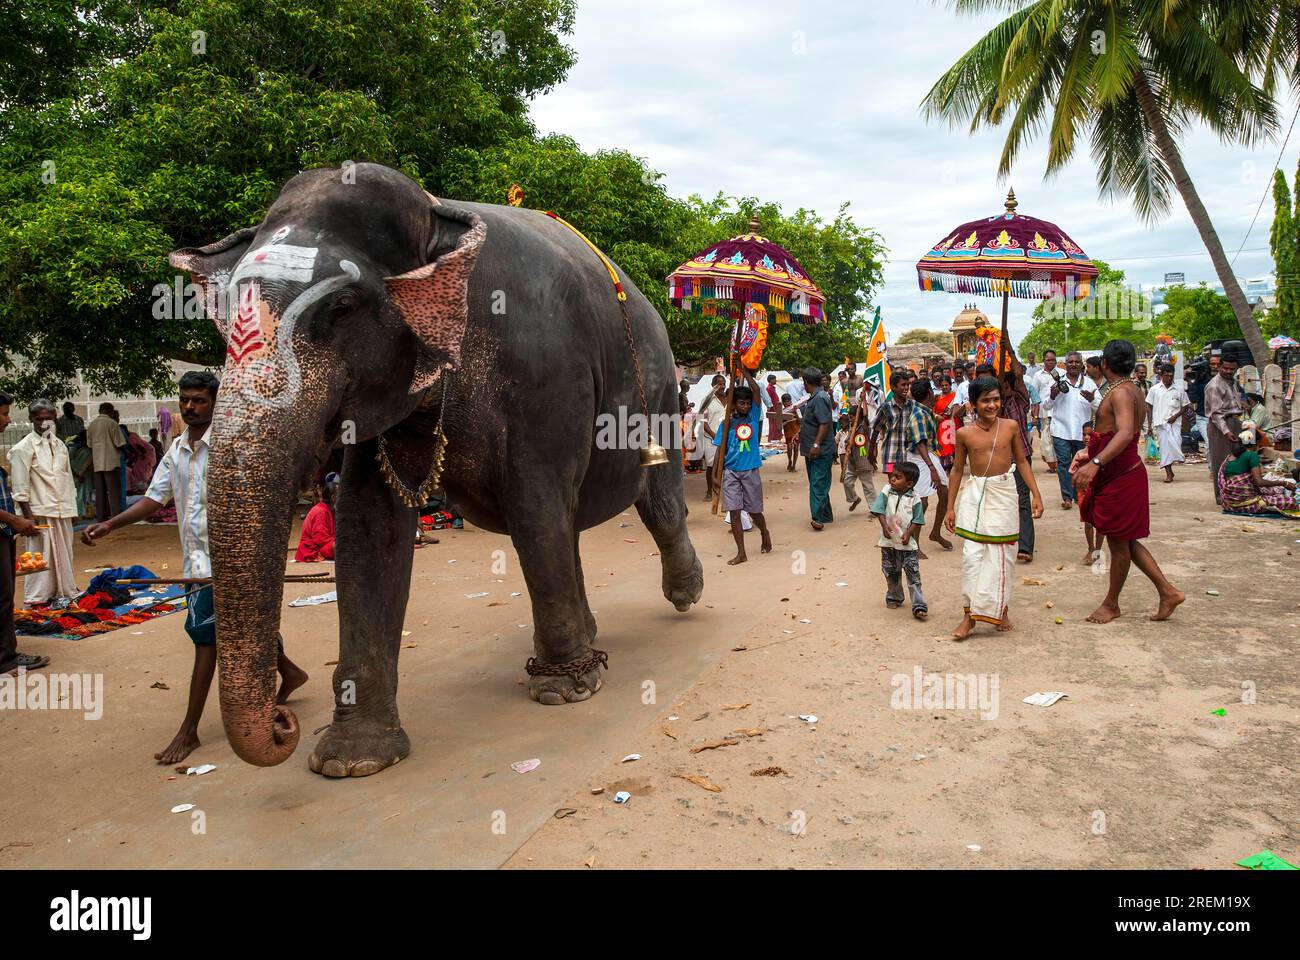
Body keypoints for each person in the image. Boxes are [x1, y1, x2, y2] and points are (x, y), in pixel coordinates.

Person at [81, 371, 308, 763]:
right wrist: (111, 524)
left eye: (199, 400)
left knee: (208, 640)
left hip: (232, 561)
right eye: (185, 399)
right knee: (231, 629)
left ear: (215, 402)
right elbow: (155, 498)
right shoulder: (177, 448)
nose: (190, 407)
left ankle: (189, 731)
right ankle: (288, 671)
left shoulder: (233, 445)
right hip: (196, 562)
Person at [1072, 340, 1184, 623]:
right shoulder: (1133, 390)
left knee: (1119, 542)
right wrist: (1089, 452)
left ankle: (1112, 604)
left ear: (1105, 365)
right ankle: (1167, 591)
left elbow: (1123, 435)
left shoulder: (1121, 392)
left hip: (1121, 476)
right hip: (1121, 472)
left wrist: (1095, 464)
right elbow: (1115, 434)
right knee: (1123, 538)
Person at [945, 377, 1043, 639]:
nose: (992, 405)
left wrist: (1036, 494)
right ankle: (969, 617)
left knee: (1002, 558)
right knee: (972, 558)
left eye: (996, 399)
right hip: (976, 497)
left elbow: (1022, 462)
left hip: (1004, 495)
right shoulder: (964, 434)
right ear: (973, 404)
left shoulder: (1010, 427)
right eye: (986, 400)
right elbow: (956, 470)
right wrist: (950, 508)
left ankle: (1001, 609)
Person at [6, 400, 79, 606]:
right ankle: (37, 597)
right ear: (31, 420)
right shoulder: (23, 448)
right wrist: (28, 517)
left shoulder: (60, 445)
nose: (44, 423)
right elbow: (20, 486)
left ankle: (64, 590)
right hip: (39, 511)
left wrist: (73, 508)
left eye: (49, 418)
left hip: (62, 508)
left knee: (64, 552)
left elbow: (67, 477)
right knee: (39, 555)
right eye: (40, 419)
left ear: (55, 418)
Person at [0, 391, 51, 674]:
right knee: (4, 596)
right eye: (5, 413)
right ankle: (6, 658)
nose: (9, 420)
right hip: (5, 526)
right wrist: (16, 520)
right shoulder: (21, 448)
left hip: (6, 530)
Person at [714, 374, 773, 564]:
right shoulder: (725, 425)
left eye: (748, 403)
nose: (746, 406)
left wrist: (743, 370)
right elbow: (719, 452)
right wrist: (716, 475)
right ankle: (741, 553)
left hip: (750, 470)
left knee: (755, 511)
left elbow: (756, 391)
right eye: (741, 403)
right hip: (730, 472)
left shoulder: (754, 418)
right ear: (733, 405)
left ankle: (764, 532)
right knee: (734, 512)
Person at [870, 461, 928, 620]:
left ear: (909, 483)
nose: (892, 479)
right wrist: (884, 526)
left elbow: (917, 519)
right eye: (892, 475)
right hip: (888, 542)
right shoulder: (887, 491)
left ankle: (919, 604)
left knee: (912, 573)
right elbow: (879, 509)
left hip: (907, 544)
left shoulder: (915, 499)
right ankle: (894, 596)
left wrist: (909, 533)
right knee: (890, 571)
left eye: (898, 477)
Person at [997, 345, 1037, 563]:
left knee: (1023, 500)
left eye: (1003, 386)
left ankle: (1025, 546)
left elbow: (1019, 376)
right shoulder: (994, 407)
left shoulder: (1019, 400)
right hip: (1000, 460)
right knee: (1004, 501)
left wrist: (1009, 348)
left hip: (1021, 456)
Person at [1043, 351, 1098, 509]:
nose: (1073, 364)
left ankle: (1078, 495)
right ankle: (1067, 497)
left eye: (1076, 362)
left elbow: (1099, 405)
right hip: (1060, 431)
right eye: (1070, 362)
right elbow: (1045, 406)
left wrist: (1091, 399)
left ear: (1081, 364)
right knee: (1064, 464)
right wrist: (1053, 395)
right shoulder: (1056, 383)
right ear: (1065, 365)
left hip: (1082, 433)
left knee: (1081, 464)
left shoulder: (1089, 383)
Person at [902, 378, 951, 551]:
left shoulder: (923, 410)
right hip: (919, 457)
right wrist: (931, 469)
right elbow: (920, 443)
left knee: (944, 493)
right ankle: (914, 543)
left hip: (928, 455)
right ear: (929, 393)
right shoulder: (918, 414)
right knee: (922, 502)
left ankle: (935, 532)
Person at [1216, 420, 1299, 516]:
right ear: (1257, 442)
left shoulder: (1230, 457)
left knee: (1273, 493)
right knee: (1291, 502)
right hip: (1244, 503)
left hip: (1228, 503)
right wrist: (1284, 483)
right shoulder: (1251, 455)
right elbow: (1260, 482)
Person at [1203, 353, 1243, 502]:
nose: (1228, 371)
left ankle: (1233, 492)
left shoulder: (1233, 382)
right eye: (1225, 368)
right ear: (1219, 367)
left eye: (1232, 369)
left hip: (1235, 422)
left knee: (1237, 459)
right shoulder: (1214, 385)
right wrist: (1226, 431)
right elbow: (1216, 413)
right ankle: (1221, 496)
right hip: (1220, 427)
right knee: (1221, 461)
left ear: (1236, 369)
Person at [800, 367, 835, 530]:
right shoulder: (814, 397)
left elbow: (824, 423)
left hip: (820, 450)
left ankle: (818, 518)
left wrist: (816, 444)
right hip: (812, 449)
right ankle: (826, 514)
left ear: (806, 382)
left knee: (818, 483)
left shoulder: (820, 398)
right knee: (818, 481)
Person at [1146, 363, 1192, 483]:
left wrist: (1175, 416)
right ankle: (1168, 473)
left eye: (1171, 375)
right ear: (1161, 375)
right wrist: (1149, 426)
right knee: (1164, 449)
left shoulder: (1179, 390)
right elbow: (1149, 408)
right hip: (1160, 424)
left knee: (1175, 445)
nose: (1169, 378)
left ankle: (1171, 469)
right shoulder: (1154, 390)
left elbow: (1185, 407)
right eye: (1166, 375)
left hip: (1175, 424)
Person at [869, 370, 914, 477]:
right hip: (890, 454)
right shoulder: (886, 407)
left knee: (907, 484)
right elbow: (875, 429)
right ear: (893, 387)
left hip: (908, 455)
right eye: (903, 385)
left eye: (908, 385)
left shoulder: (912, 406)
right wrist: (870, 452)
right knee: (893, 483)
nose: (906, 387)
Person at [85, 401, 125, 522]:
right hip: (111, 462)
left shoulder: (92, 425)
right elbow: (120, 443)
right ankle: (116, 517)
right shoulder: (112, 424)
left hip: (97, 463)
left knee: (100, 492)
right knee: (114, 492)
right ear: (110, 411)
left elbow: (89, 445)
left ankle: (101, 517)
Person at [296, 473, 339, 561]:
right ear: (334, 498)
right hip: (315, 549)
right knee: (341, 546)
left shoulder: (331, 510)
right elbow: (320, 539)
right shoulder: (321, 511)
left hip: (325, 544)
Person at [698, 374, 727, 502]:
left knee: (728, 465)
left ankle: (727, 492)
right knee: (711, 466)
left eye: (724, 383)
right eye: (719, 384)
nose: (722, 386)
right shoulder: (706, 400)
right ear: (713, 385)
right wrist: (715, 435)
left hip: (728, 438)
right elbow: (703, 423)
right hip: (711, 438)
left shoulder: (730, 398)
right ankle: (710, 491)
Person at [1031, 350, 1061, 472]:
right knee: (1046, 442)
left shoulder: (1062, 373)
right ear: (1044, 361)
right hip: (1044, 413)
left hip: (1059, 413)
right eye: (1048, 360)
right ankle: (1052, 465)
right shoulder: (1038, 375)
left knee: (1058, 440)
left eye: (1053, 360)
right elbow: (1034, 394)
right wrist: (1034, 413)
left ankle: (1059, 465)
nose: (1051, 362)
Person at [764, 374, 783, 442]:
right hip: (773, 409)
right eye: (775, 379)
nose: (776, 380)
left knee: (776, 424)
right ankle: (772, 439)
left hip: (776, 408)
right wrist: (772, 408)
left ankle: (776, 438)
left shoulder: (772, 388)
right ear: (771, 380)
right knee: (773, 425)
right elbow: (769, 400)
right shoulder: (769, 388)